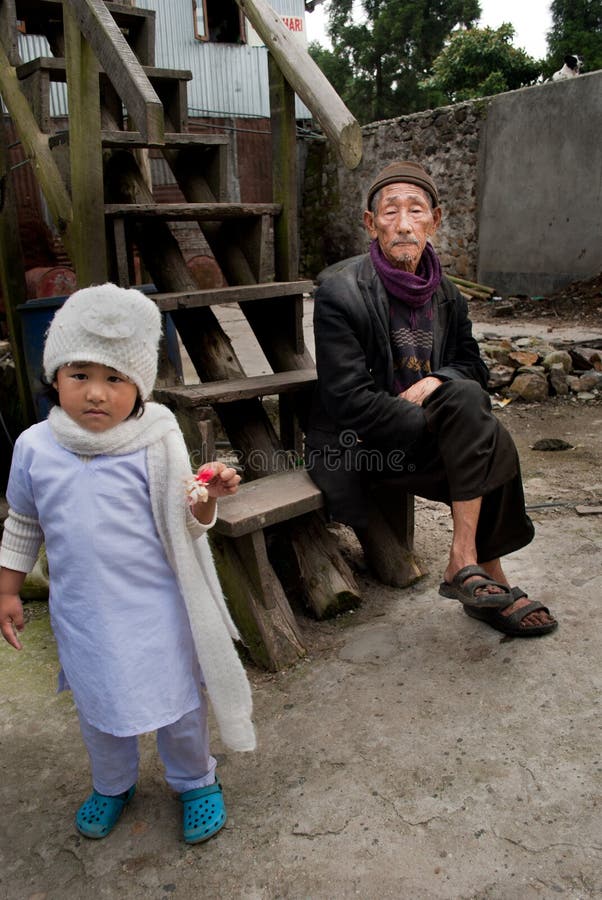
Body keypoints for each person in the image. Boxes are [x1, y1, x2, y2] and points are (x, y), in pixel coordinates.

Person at [0, 284, 255, 843]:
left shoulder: (155, 441)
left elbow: (187, 523)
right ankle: (112, 782)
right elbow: (23, 522)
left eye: (115, 378)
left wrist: (207, 498)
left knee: (178, 703)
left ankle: (194, 779)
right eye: (79, 374)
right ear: (54, 376)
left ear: (140, 385)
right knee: (98, 706)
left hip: (158, 613)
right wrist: (8, 591)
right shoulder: (35, 447)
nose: (96, 392)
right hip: (83, 616)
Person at [306, 160, 558, 638]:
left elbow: (473, 367)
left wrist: (439, 382)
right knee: (480, 430)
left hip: (428, 438)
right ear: (371, 223)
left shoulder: (447, 294)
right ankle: (482, 571)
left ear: (435, 220)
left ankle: (471, 567)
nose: (404, 224)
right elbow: (348, 403)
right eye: (390, 212)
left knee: (478, 422)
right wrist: (448, 413)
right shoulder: (340, 293)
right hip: (360, 445)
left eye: (416, 211)